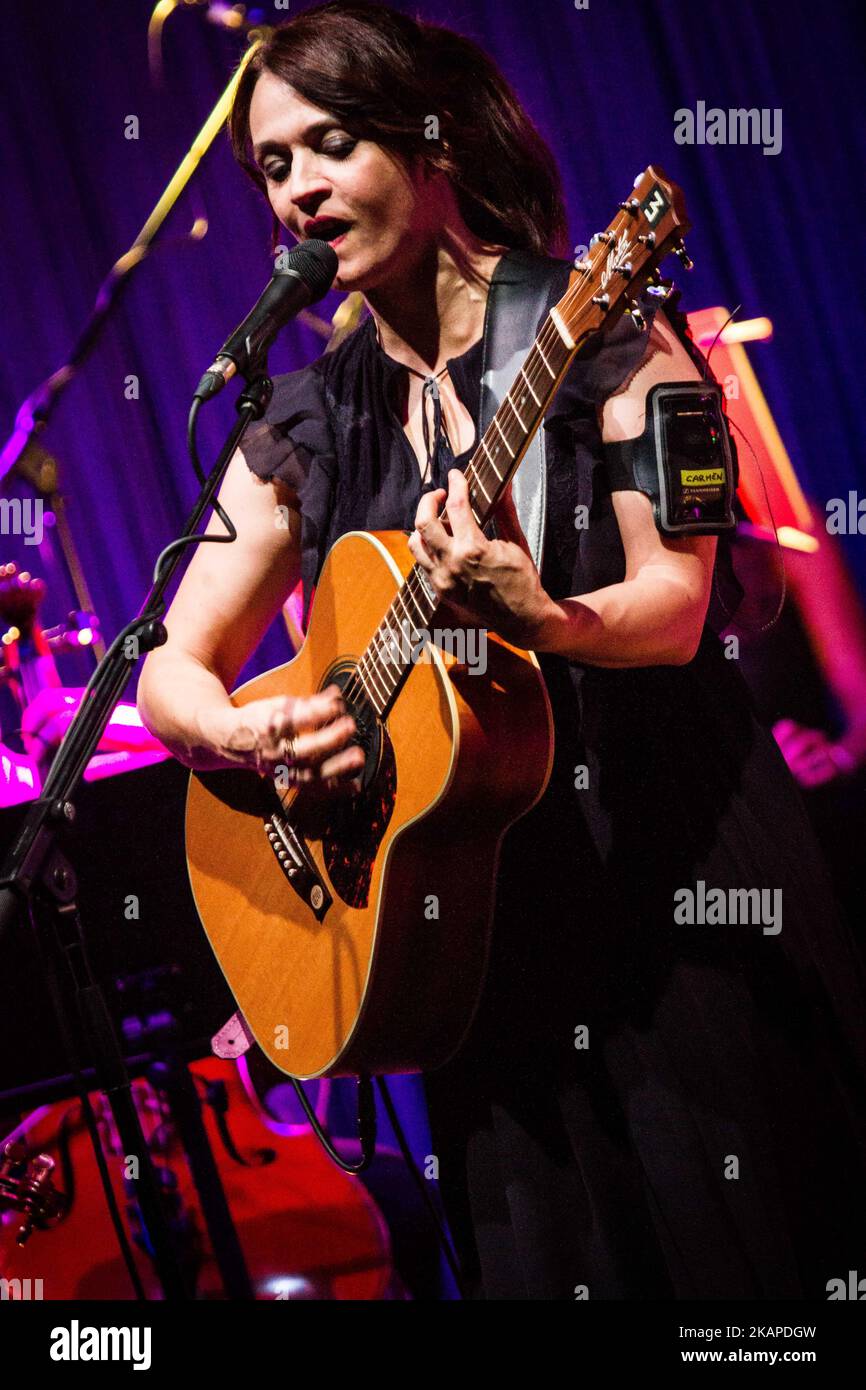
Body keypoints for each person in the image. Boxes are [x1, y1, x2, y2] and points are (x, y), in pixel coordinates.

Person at [137, 1, 866, 1299]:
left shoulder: (629, 337)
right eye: (273, 166)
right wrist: (246, 730)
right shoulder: (301, 422)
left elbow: (679, 606)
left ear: (430, 149)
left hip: (674, 906)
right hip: (467, 949)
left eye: (329, 146)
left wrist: (542, 616)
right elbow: (168, 669)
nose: (296, 189)